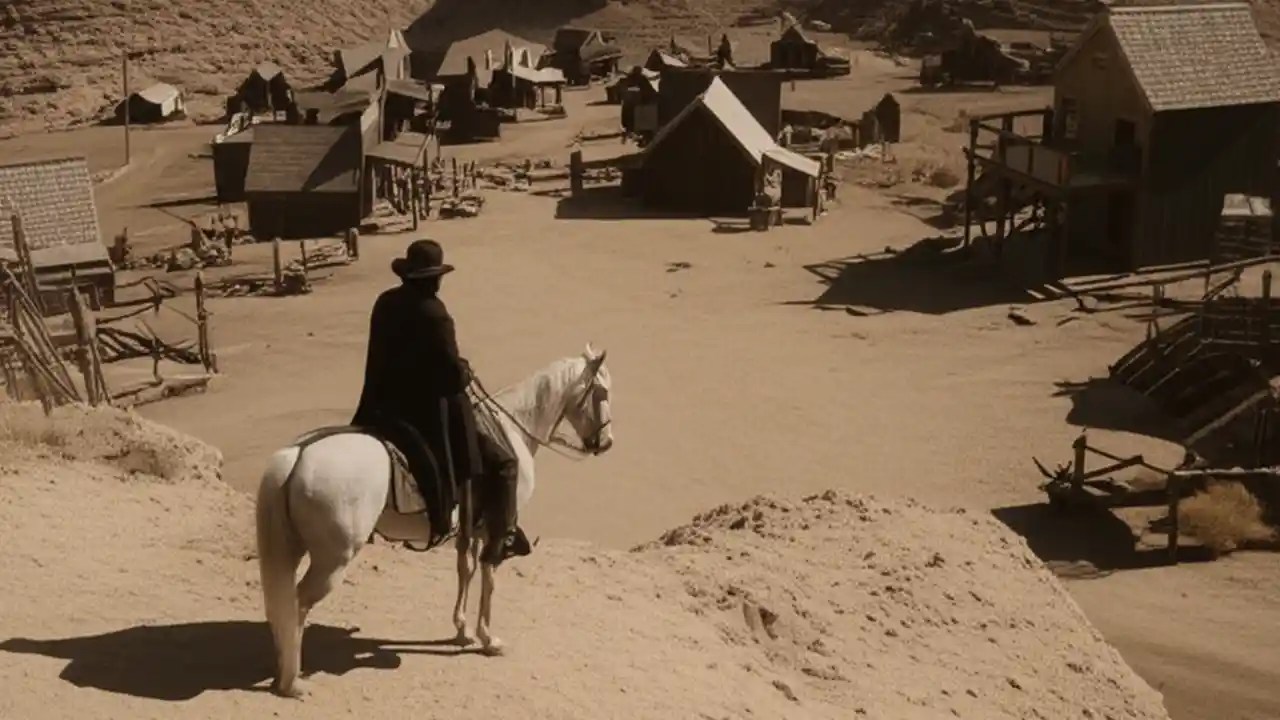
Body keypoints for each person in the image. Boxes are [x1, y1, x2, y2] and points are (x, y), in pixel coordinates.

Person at [351, 239, 530, 565]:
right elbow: (448, 373)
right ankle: (501, 539)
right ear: (433, 278)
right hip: (424, 414)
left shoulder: (385, 303)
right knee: (504, 463)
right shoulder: (435, 313)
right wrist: (463, 371)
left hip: (380, 407)